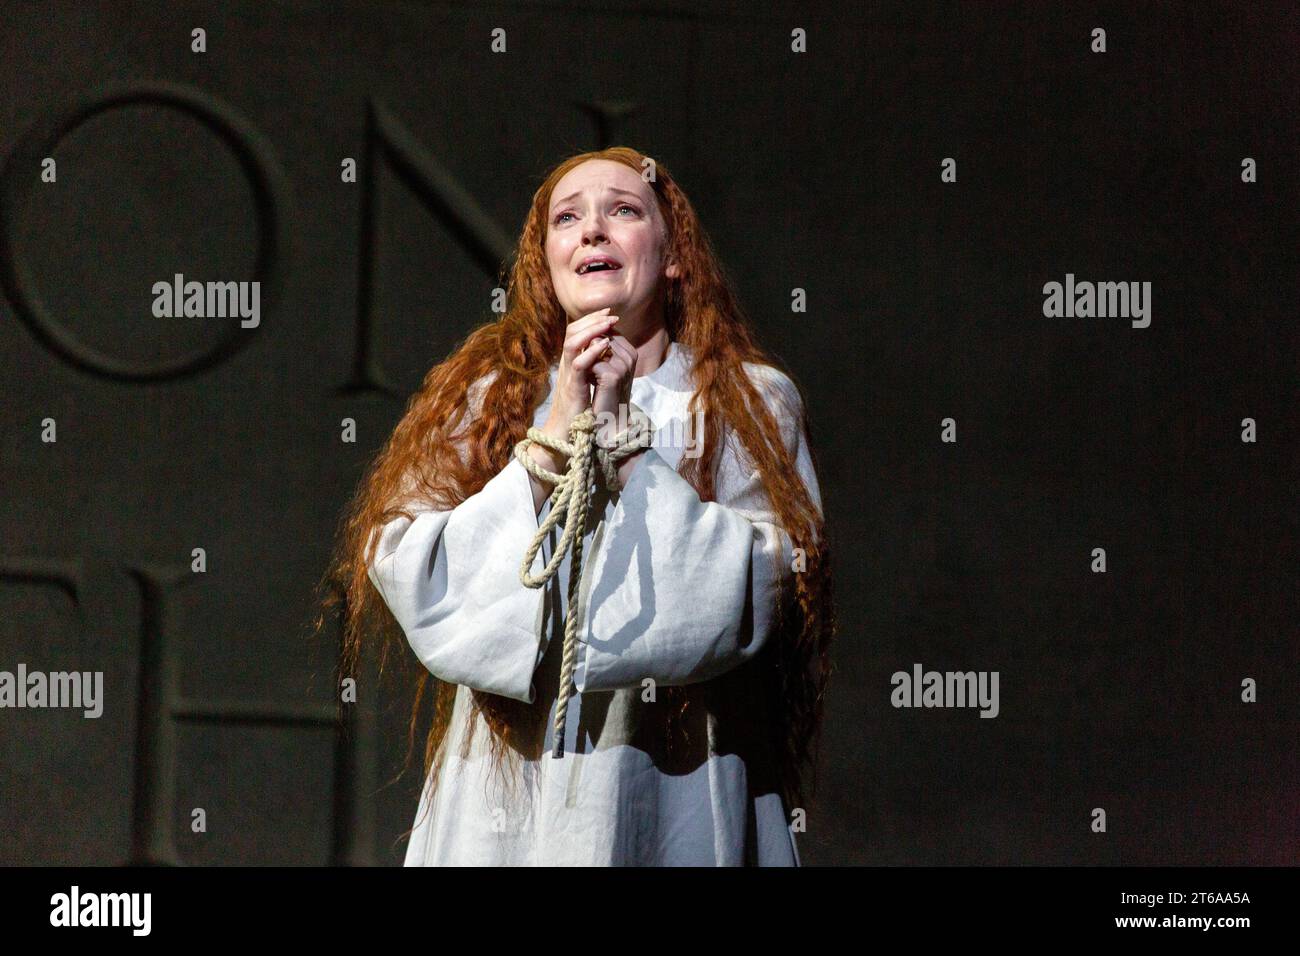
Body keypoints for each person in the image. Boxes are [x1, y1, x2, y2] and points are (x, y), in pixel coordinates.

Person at [321, 146, 835, 865]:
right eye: (568, 218)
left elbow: (763, 582)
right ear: (546, 264)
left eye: (623, 210)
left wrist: (628, 446)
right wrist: (554, 437)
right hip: (510, 792)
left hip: (674, 776)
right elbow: (414, 570)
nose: (592, 229)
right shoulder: (486, 400)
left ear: (675, 255)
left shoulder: (746, 402)